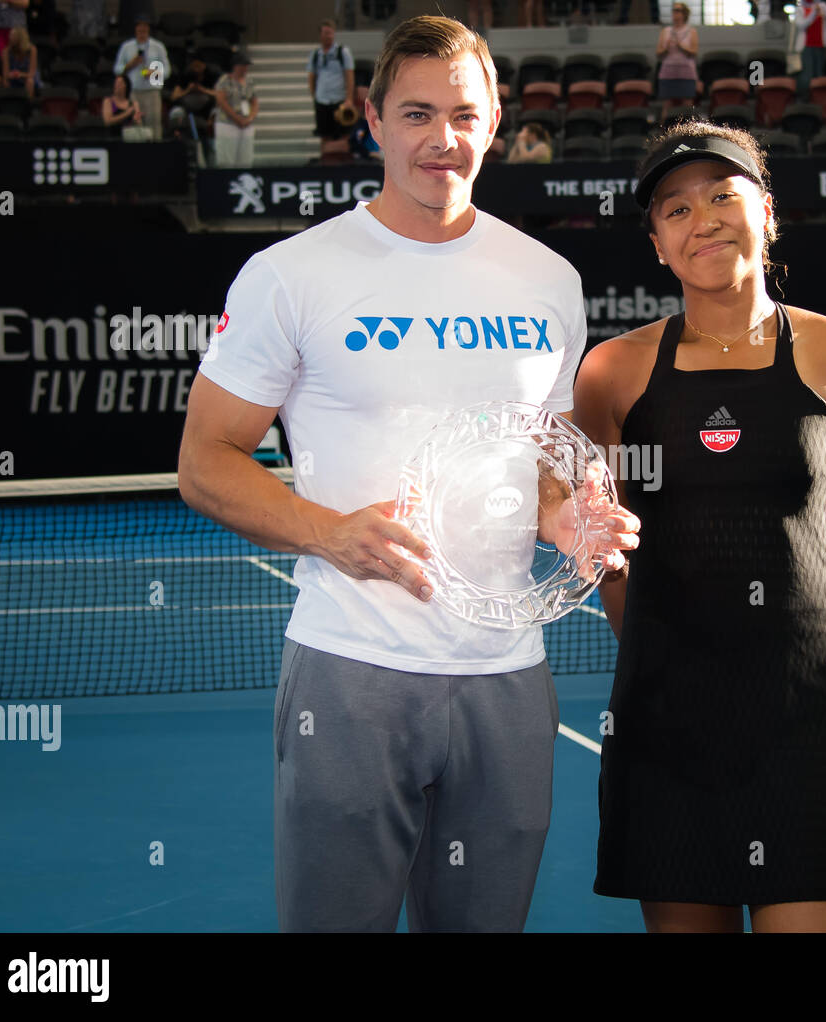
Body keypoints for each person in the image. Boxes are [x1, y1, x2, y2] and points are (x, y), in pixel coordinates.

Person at [178, 14, 639, 934]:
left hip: (508, 677)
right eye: (418, 114)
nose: (443, 139)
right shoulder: (291, 274)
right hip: (353, 671)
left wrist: (562, 520)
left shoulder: (546, 279)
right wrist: (328, 531)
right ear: (374, 121)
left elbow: (540, 458)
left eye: (464, 114)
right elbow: (204, 462)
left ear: (496, 118)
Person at [579, 120, 826, 933]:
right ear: (656, 245)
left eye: (724, 195)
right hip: (665, 726)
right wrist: (665, 646)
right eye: (676, 210)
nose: (704, 219)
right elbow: (603, 545)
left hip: (805, 725)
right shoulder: (610, 374)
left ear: (767, 212)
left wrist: (784, 648)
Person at [113, 18, 168, 140]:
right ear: (135, 29)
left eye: (144, 26)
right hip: (133, 91)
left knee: (153, 125)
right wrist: (130, 65)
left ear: (148, 28)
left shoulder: (157, 46)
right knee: (135, 125)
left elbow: (167, 71)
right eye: (139, 27)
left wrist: (154, 73)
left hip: (152, 91)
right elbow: (117, 69)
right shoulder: (127, 47)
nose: (142, 29)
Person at [308, 19, 355, 141]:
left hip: (338, 100)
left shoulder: (343, 52)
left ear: (334, 34)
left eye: (330, 33)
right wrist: (314, 95)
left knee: (342, 134)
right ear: (320, 35)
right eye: (325, 33)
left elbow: (349, 75)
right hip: (321, 99)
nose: (328, 36)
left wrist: (349, 98)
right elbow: (311, 76)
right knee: (324, 134)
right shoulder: (315, 54)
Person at [214, 53, 258, 169]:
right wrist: (237, 118)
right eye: (244, 65)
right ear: (236, 66)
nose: (246, 68)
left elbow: (254, 101)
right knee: (227, 160)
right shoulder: (225, 80)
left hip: (246, 124)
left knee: (245, 160)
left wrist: (250, 118)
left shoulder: (249, 81)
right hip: (227, 123)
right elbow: (221, 101)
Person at [656, 3, 699, 111]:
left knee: (687, 105)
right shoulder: (665, 31)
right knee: (667, 105)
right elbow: (658, 53)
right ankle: (665, 126)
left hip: (686, 73)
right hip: (668, 72)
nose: (674, 13)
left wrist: (681, 47)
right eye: (673, 10)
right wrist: (666, 48)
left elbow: (694, 52)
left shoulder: (691, 31)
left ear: (684, 13)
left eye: (677, 10)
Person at [793, 0, 826, 103]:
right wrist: (813, 13)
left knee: (819, 74)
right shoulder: (800, 9)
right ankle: (804, 99)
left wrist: (822, 8)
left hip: (820, 45)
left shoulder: (821, 6)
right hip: (806, 46)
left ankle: (819, 100)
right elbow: (801, 25)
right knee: (807, 75)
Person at [0, 25, 36, 98]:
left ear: (20, 37)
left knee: (30, 81)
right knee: (5, 81)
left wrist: (20, 74)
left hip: (25, 77)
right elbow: (5, 73)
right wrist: (11, 75)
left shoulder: (32, 50)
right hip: (12, 78)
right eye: (10, 35)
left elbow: (32, 73)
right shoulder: (6, 51)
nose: (10, 37)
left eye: (13, 35)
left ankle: (29, 104)